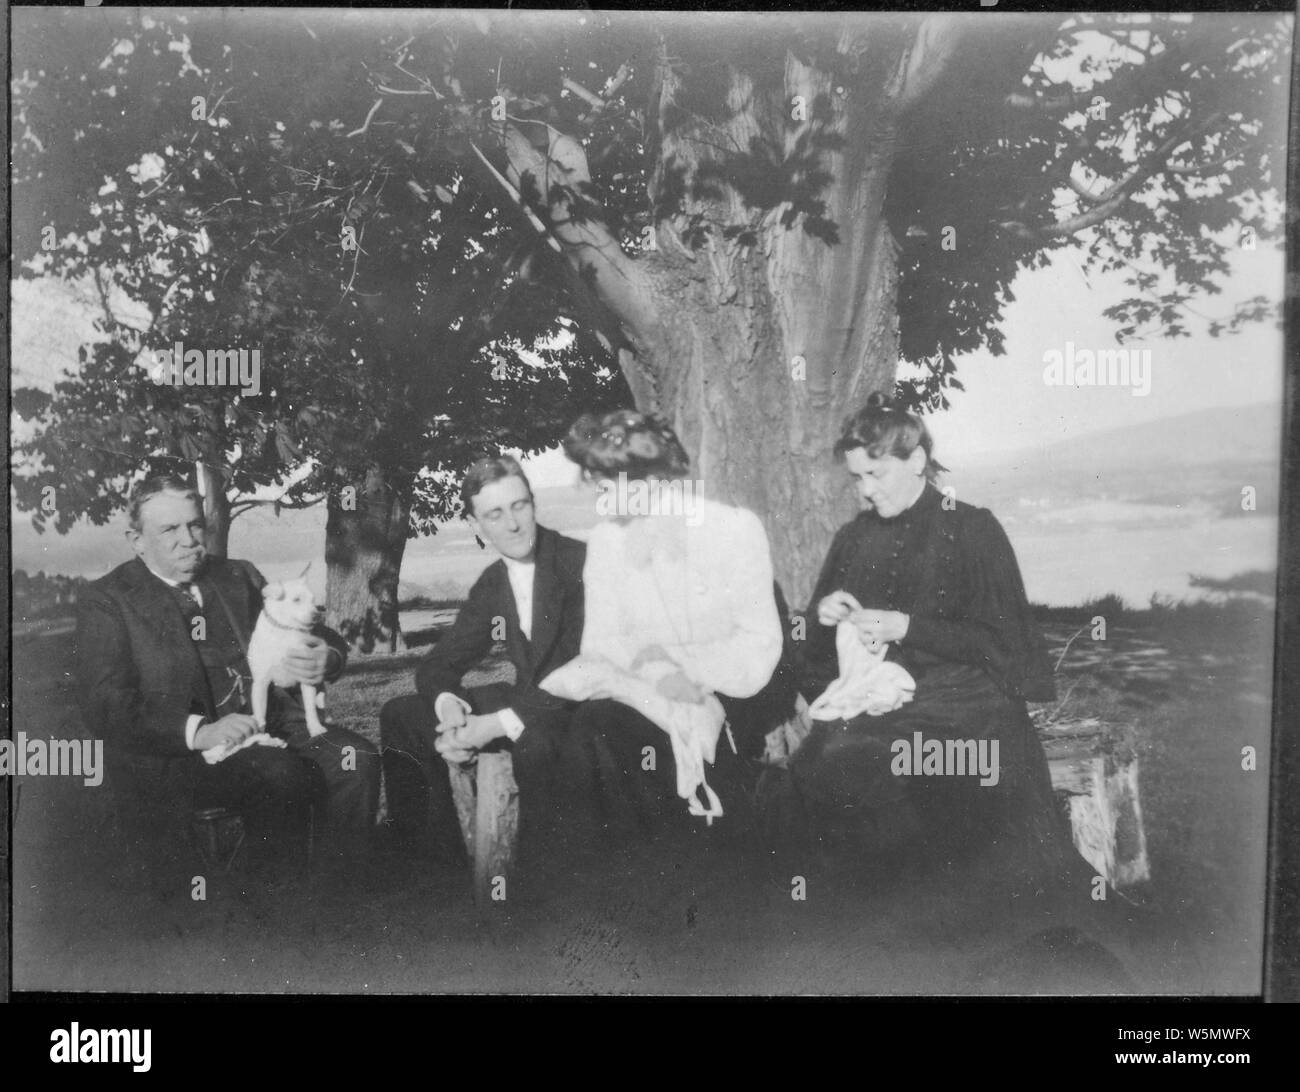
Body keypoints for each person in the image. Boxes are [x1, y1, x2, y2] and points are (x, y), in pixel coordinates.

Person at [784, 393, 1084, 887]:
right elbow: (816, 660)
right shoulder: (854, 539)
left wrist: (906, 628)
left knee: (875, 773)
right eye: (857, 478)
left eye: (875, 475)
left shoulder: (971, 529)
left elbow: (1007, 644)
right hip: (882, 705)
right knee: (817, 770)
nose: (864, 492)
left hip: (969, 710)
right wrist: (820, 617)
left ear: (917, 460)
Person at [76, 474, 380, 890]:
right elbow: (104, 701)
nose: (188, 539)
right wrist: (198, 731)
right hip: (185, 757)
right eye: (169, 529)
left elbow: (313, 630)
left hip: (272, 727)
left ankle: (333, 897)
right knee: (279, 775)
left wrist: (325, 658)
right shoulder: (109, 601)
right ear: (137, 539)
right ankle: (270, 915)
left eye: (195, 524)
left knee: (355, 758)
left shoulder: (236, 576)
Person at [546, 410, 784, 862]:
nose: (600, 503)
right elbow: (601, 642)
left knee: (614, 743)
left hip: (726, 700)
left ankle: (687, 878)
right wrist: (657, 671)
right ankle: (611, 895)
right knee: (586, 736)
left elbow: (759, 647)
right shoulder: (607, 542)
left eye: (604, 488)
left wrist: (687, 669)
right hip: (640, 694)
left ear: (646, 482)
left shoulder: (732, 530)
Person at [378, 456, 586, 878]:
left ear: (533, 504)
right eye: (494, 514)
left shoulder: (577, 563)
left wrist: (493, 725)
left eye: (519, 506)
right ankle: (434, 862)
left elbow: (578, 671)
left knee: (535, 742)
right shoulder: (494, 581)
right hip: (529, 701)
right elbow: (440, 663)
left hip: (578, 709)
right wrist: (448, 707)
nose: (512, 524)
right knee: (402, 715)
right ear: (476, 525)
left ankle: (538, 886)